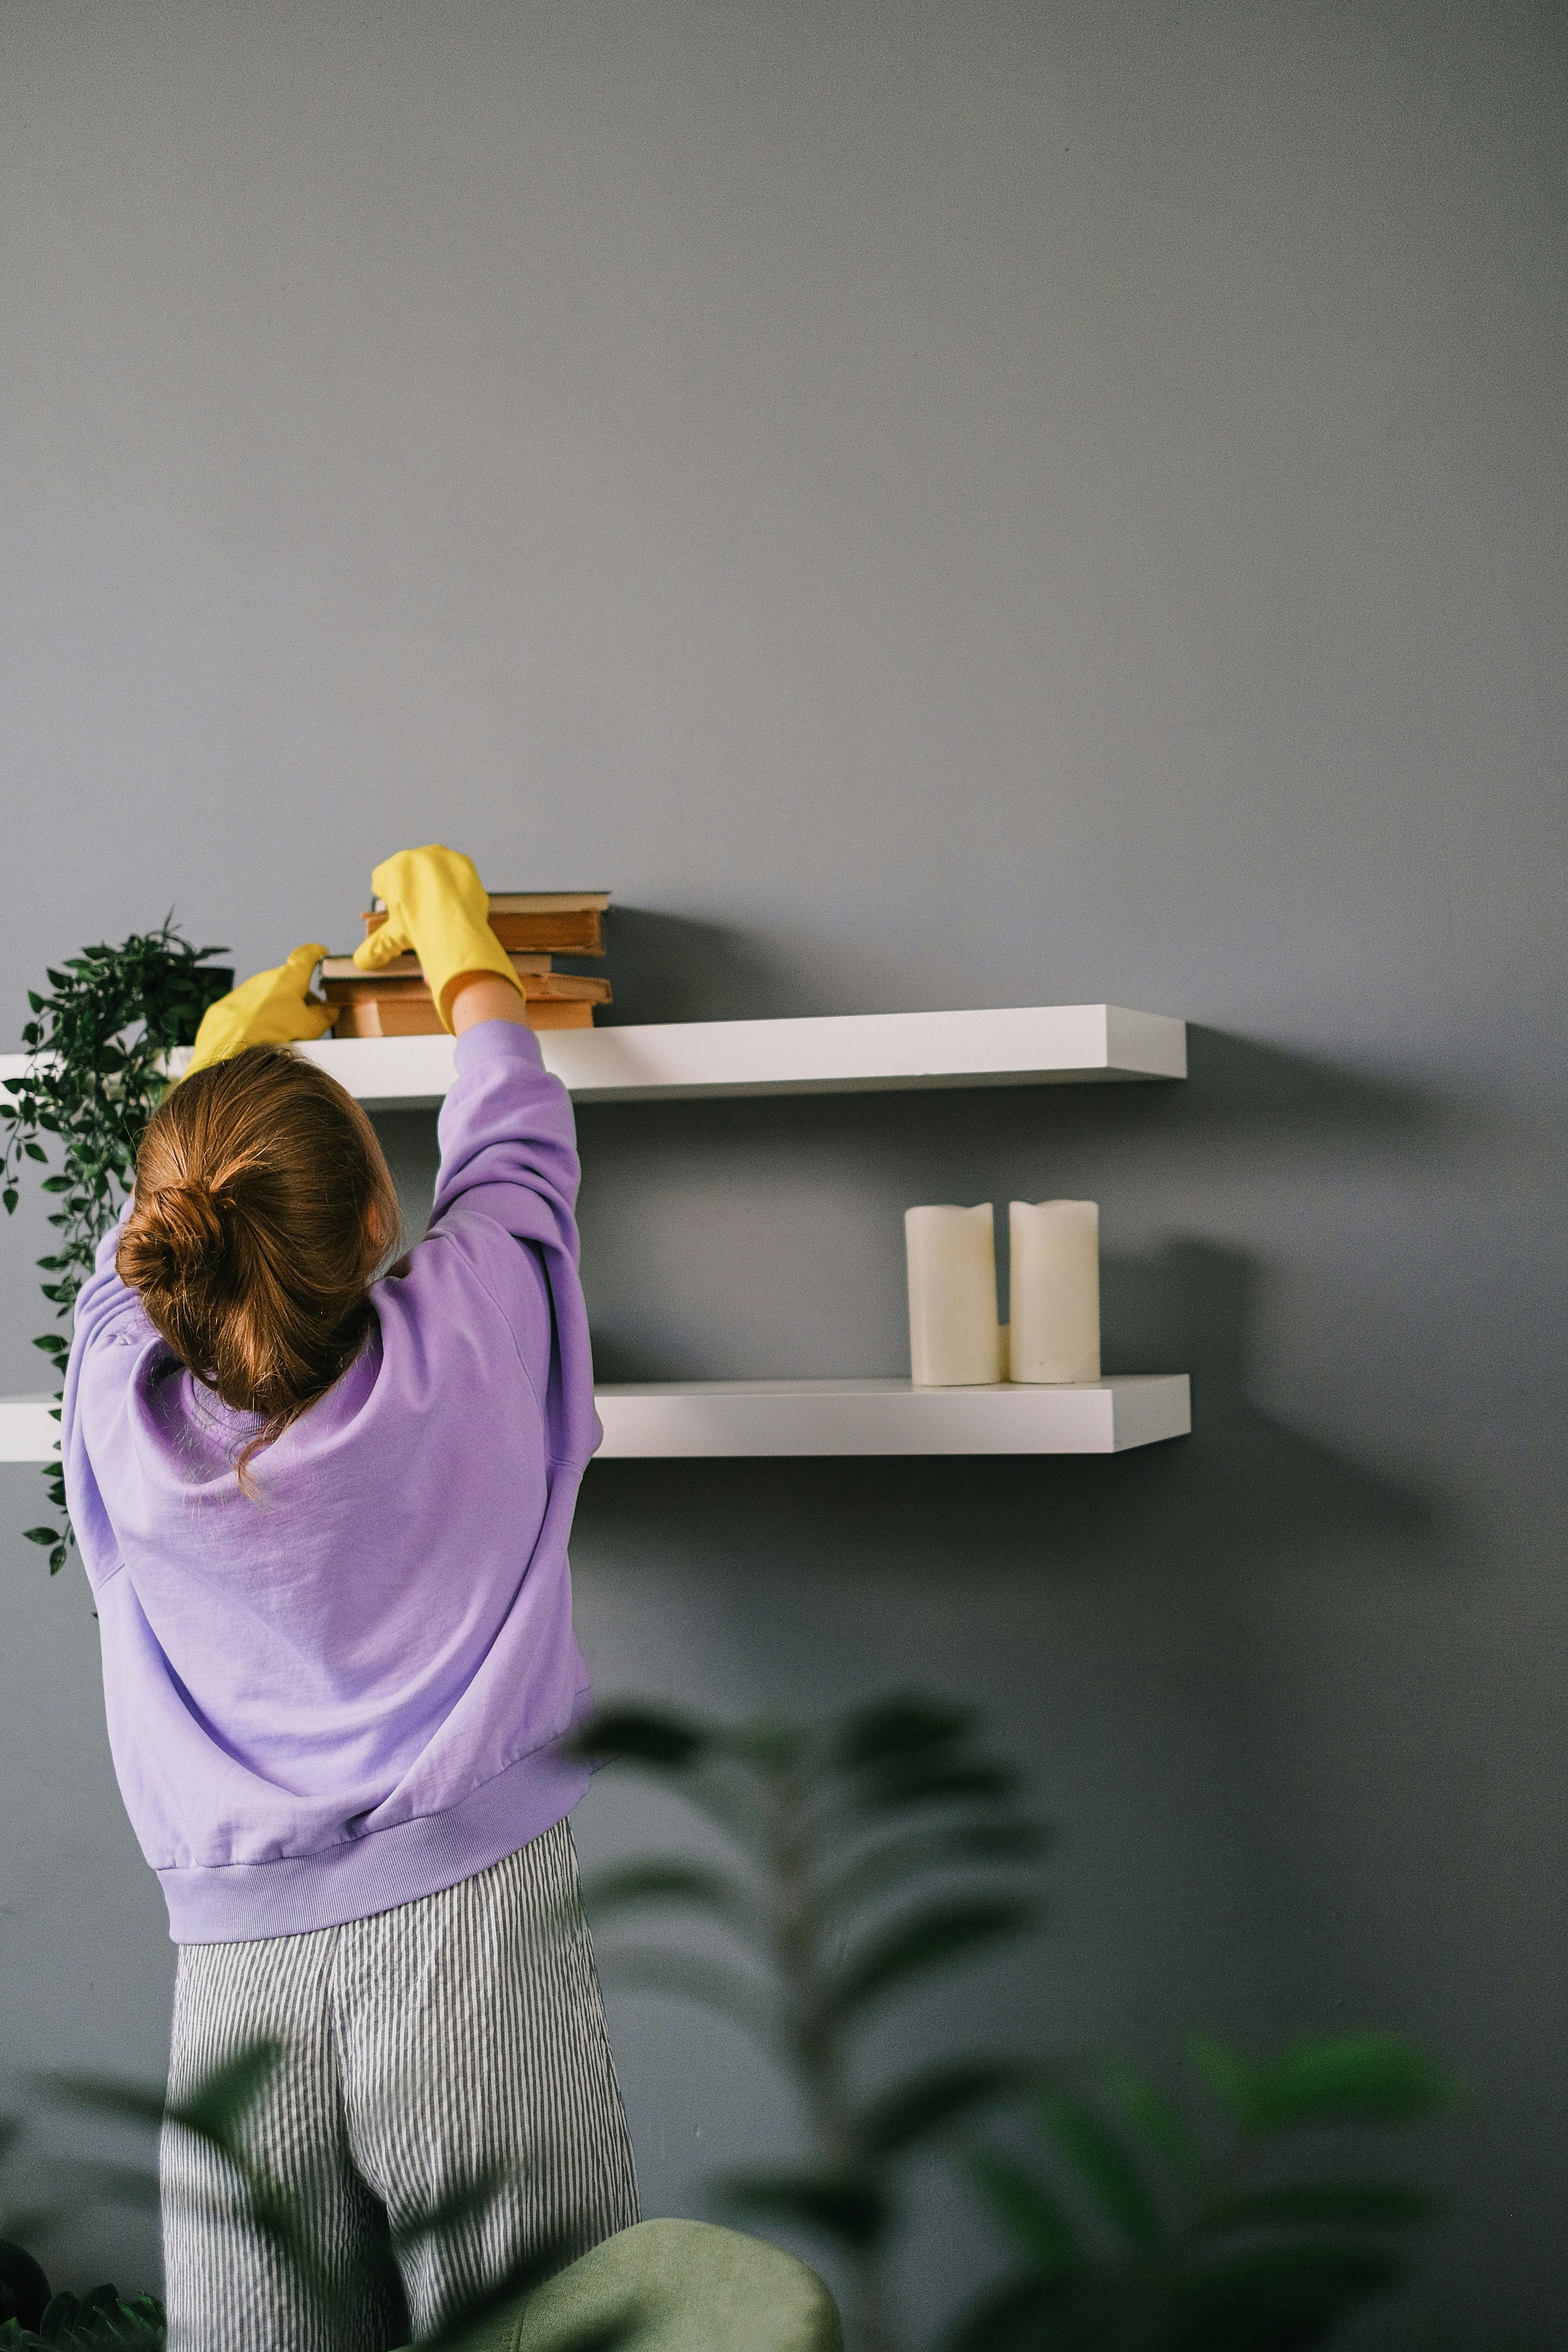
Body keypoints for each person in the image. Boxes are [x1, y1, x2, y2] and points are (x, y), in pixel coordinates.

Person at [62, 847, 638, 2352]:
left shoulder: (120, 1398)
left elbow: (127, 1275)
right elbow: (516, 1154)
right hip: (472, 1936)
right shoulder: (467, 1331)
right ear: (375, 1227)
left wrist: (211, 1064)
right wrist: (469, 966)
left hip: (231, 1985)